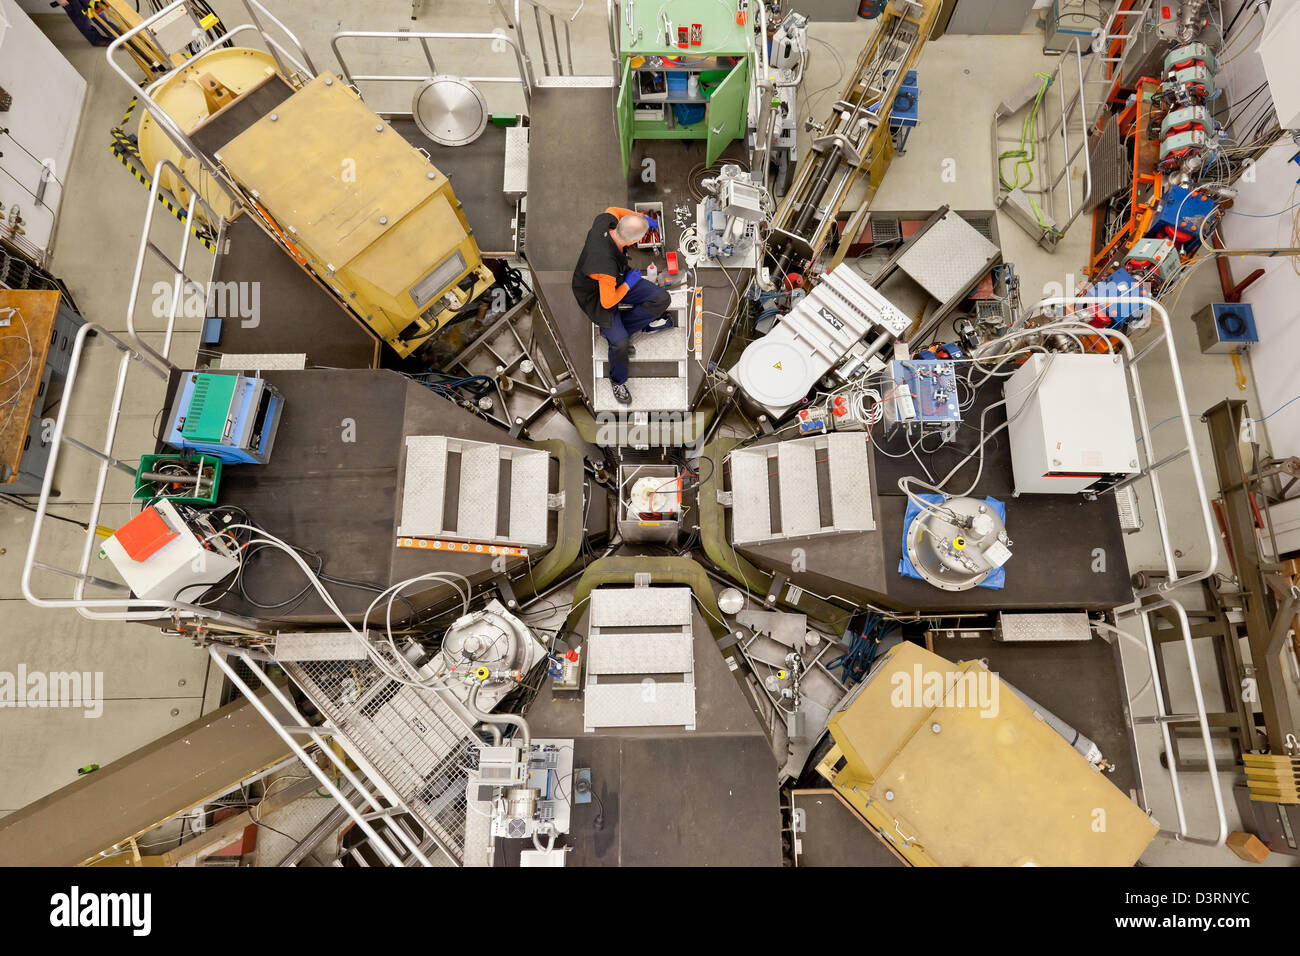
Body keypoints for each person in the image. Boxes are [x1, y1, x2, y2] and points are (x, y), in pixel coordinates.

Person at [571, 206, 674, 406]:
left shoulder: (604, 222)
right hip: (596, 294)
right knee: (619, 345)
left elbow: (613, 209)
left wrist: (641, 218)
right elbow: (607, 301)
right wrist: (627, 283)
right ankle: (618, 380)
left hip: (616, 278)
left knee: (662, 299)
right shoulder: (605, 264)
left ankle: (620, 330)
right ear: (633, 242)